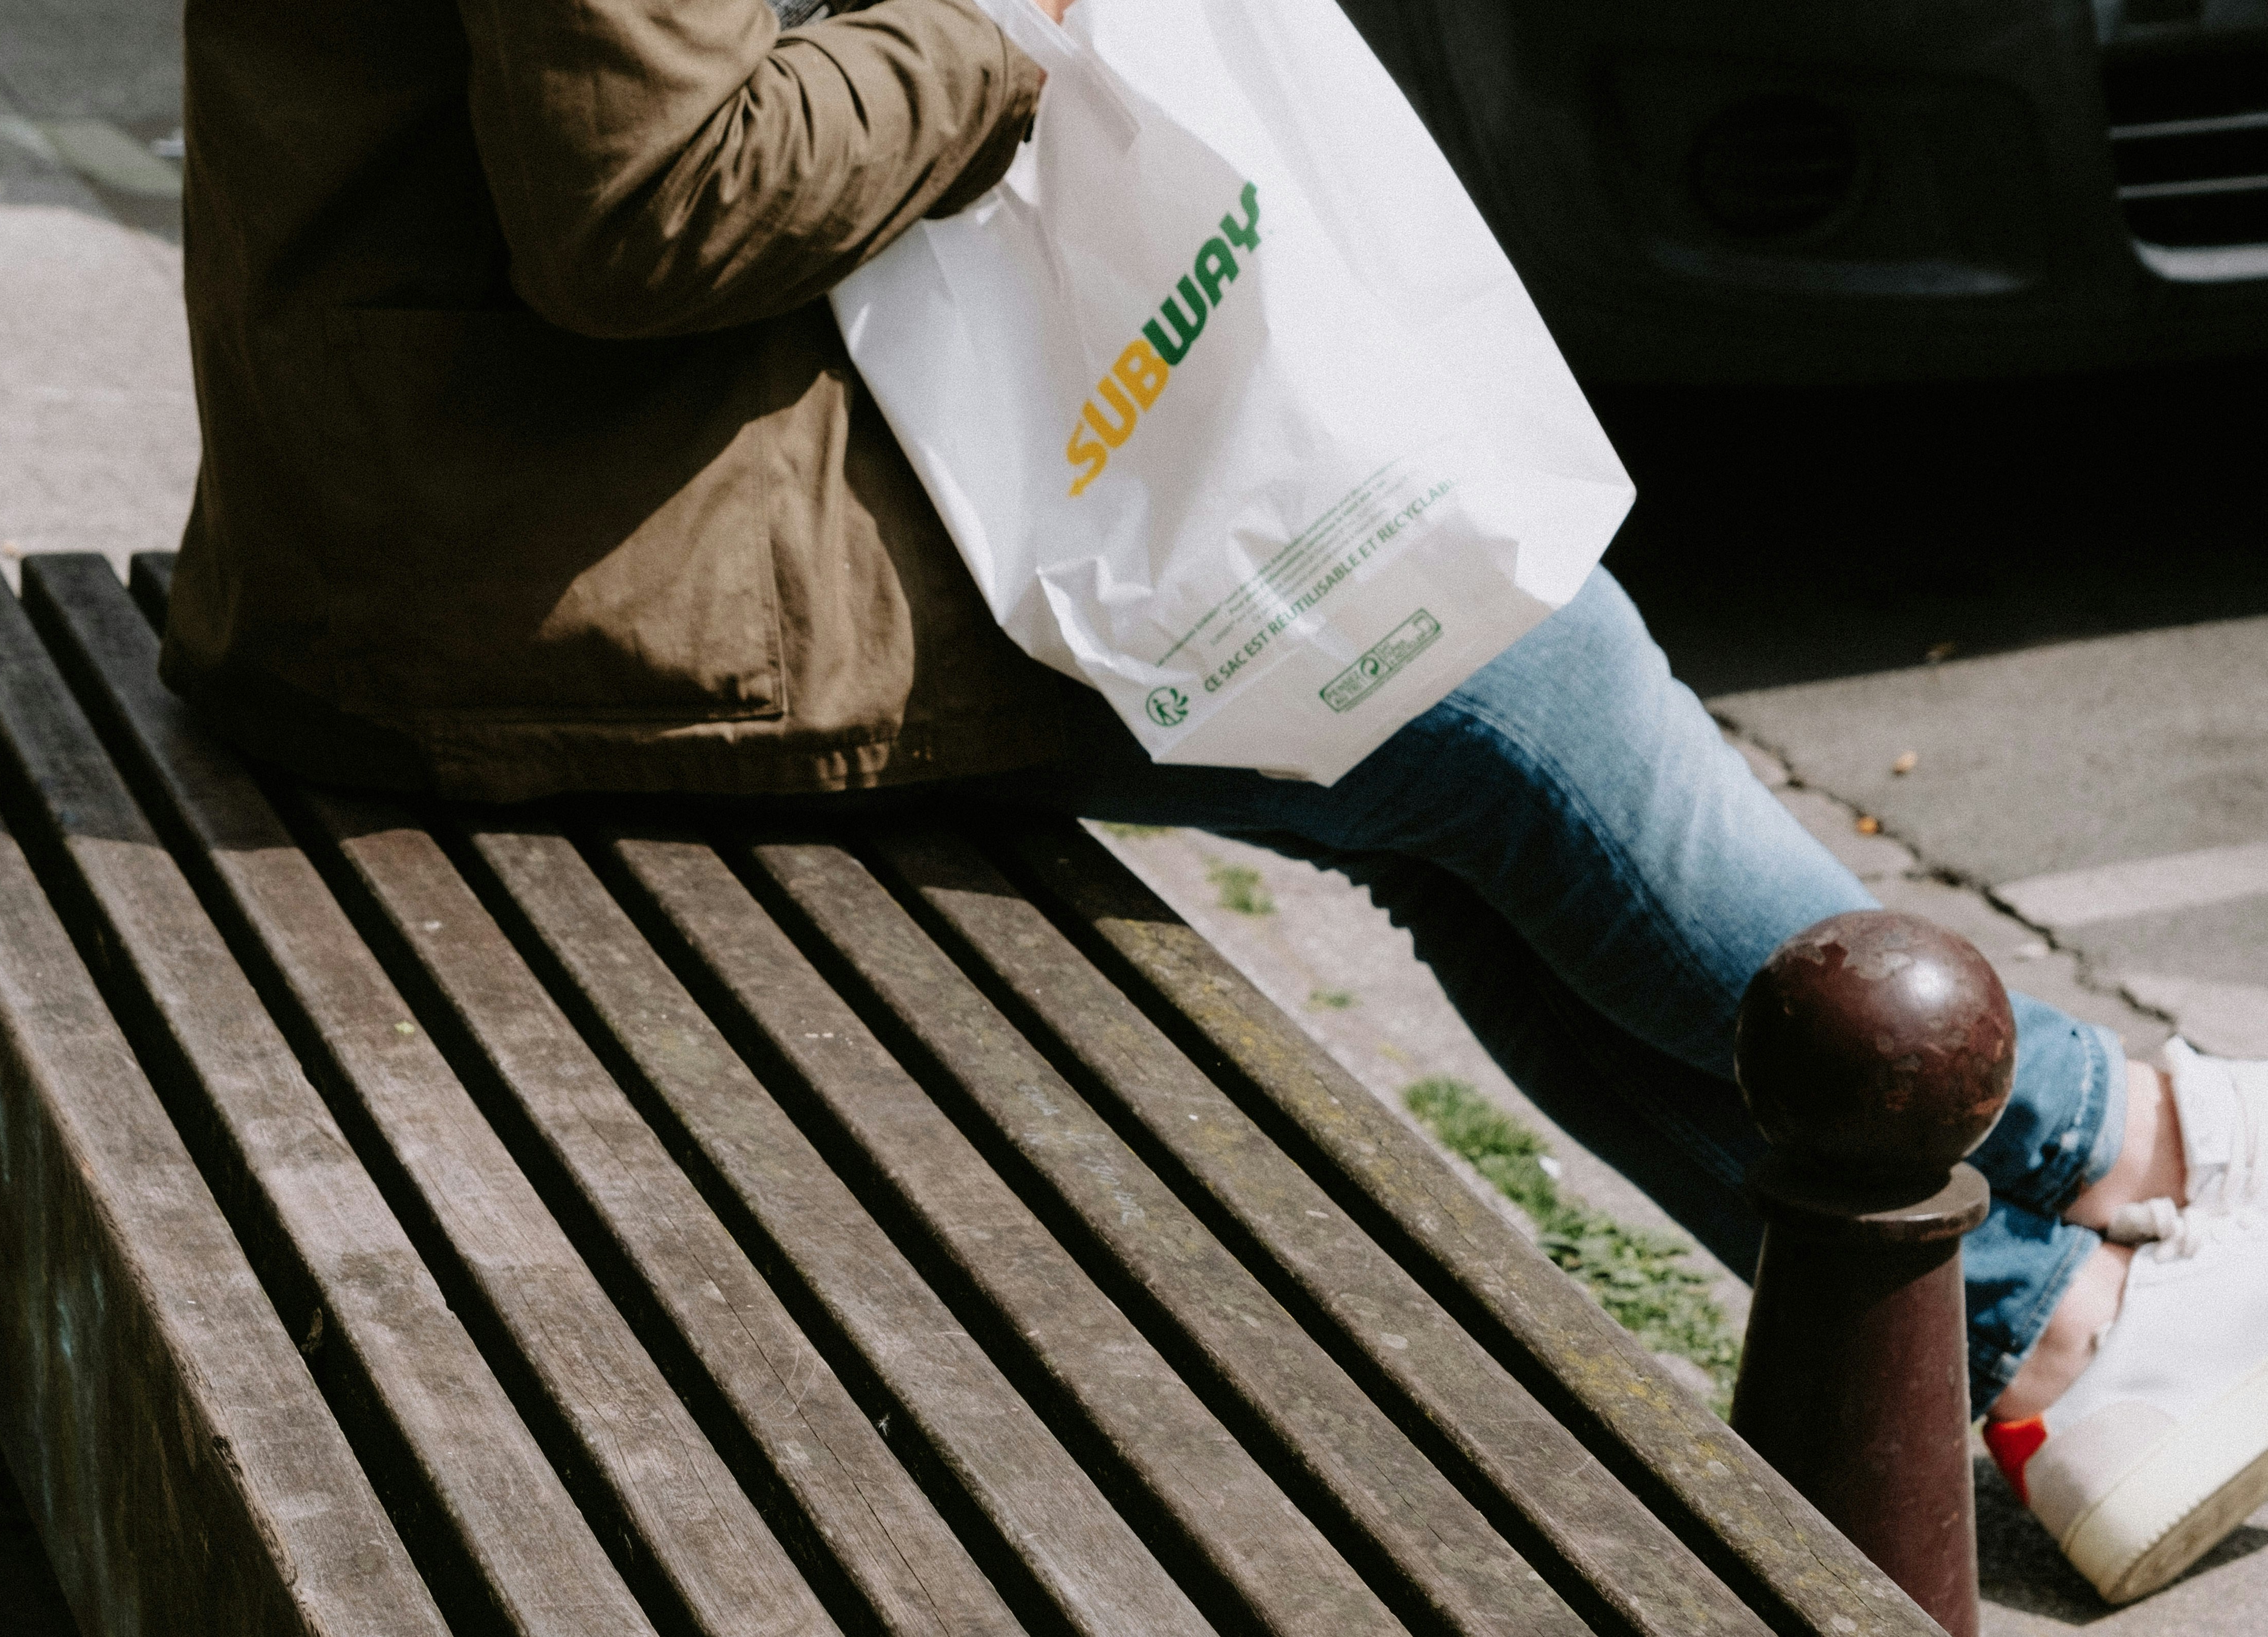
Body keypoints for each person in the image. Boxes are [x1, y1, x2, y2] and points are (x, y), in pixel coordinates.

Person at [166, 0, 2268, 1605]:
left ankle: (2054, 1320)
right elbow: (642, 201)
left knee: (1437, 756)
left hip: (450, 516)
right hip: (567, 578)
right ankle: (2118, 1137)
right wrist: (1011, 28)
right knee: (1470, 644)